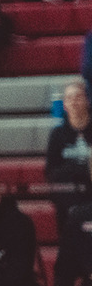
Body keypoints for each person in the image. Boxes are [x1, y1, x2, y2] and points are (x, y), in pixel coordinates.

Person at [49, 80, 92, 221]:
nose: (74, 102)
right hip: (69, 196)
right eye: (69, 98)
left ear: (87, 100)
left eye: (78, 97)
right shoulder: (57, 134)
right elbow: (51, 171)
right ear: (64, 105)